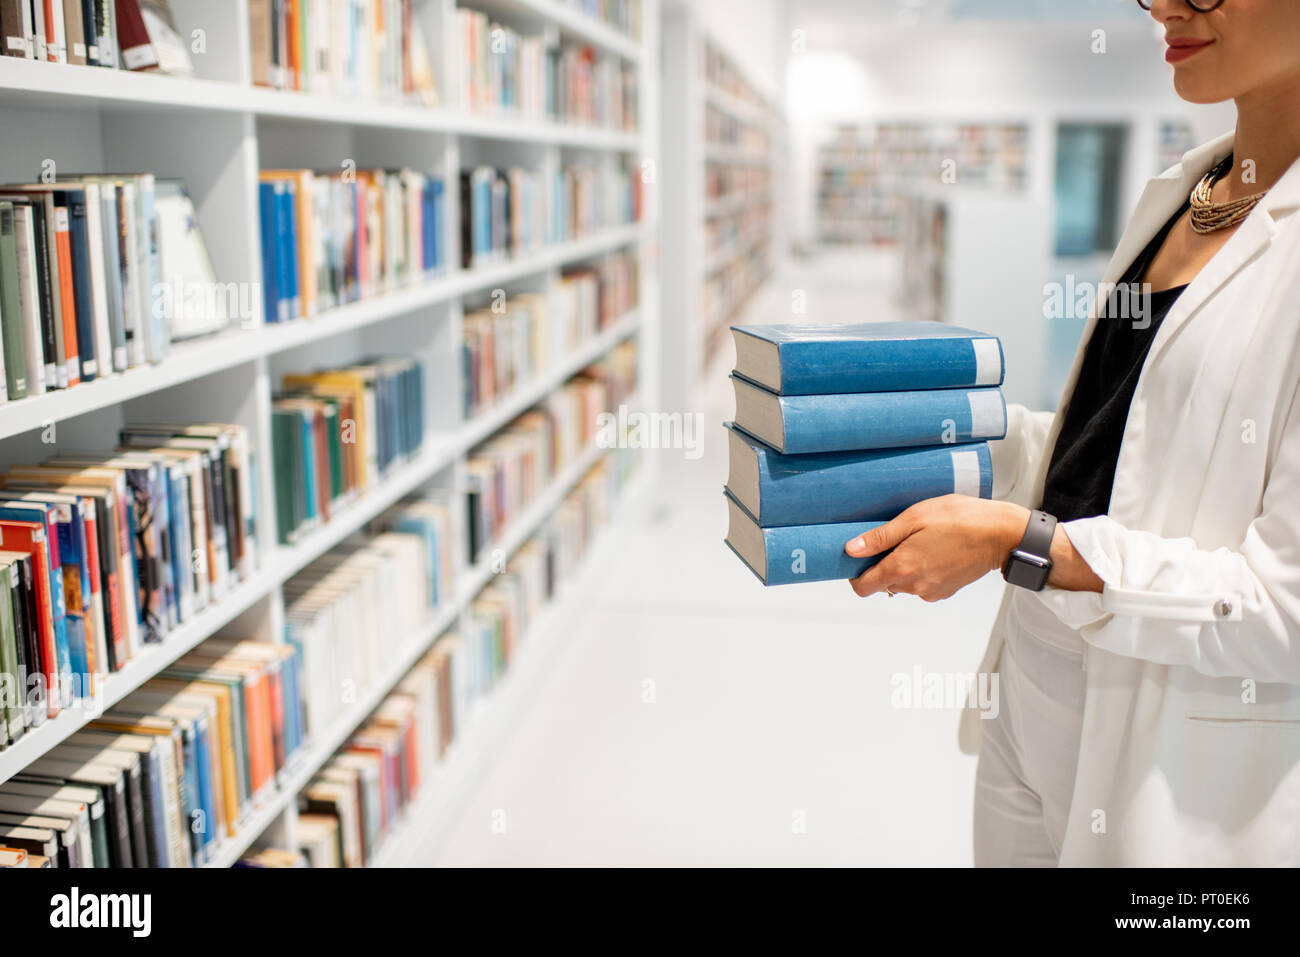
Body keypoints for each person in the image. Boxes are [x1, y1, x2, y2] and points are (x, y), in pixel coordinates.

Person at [842, 0, 1300, 866]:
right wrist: (982, 448)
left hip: (1171, 763)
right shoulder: (1182, 192)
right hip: (1034, 683)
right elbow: (1131, 439)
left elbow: (1284, 608)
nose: (1166, 5)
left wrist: (1022, 544)